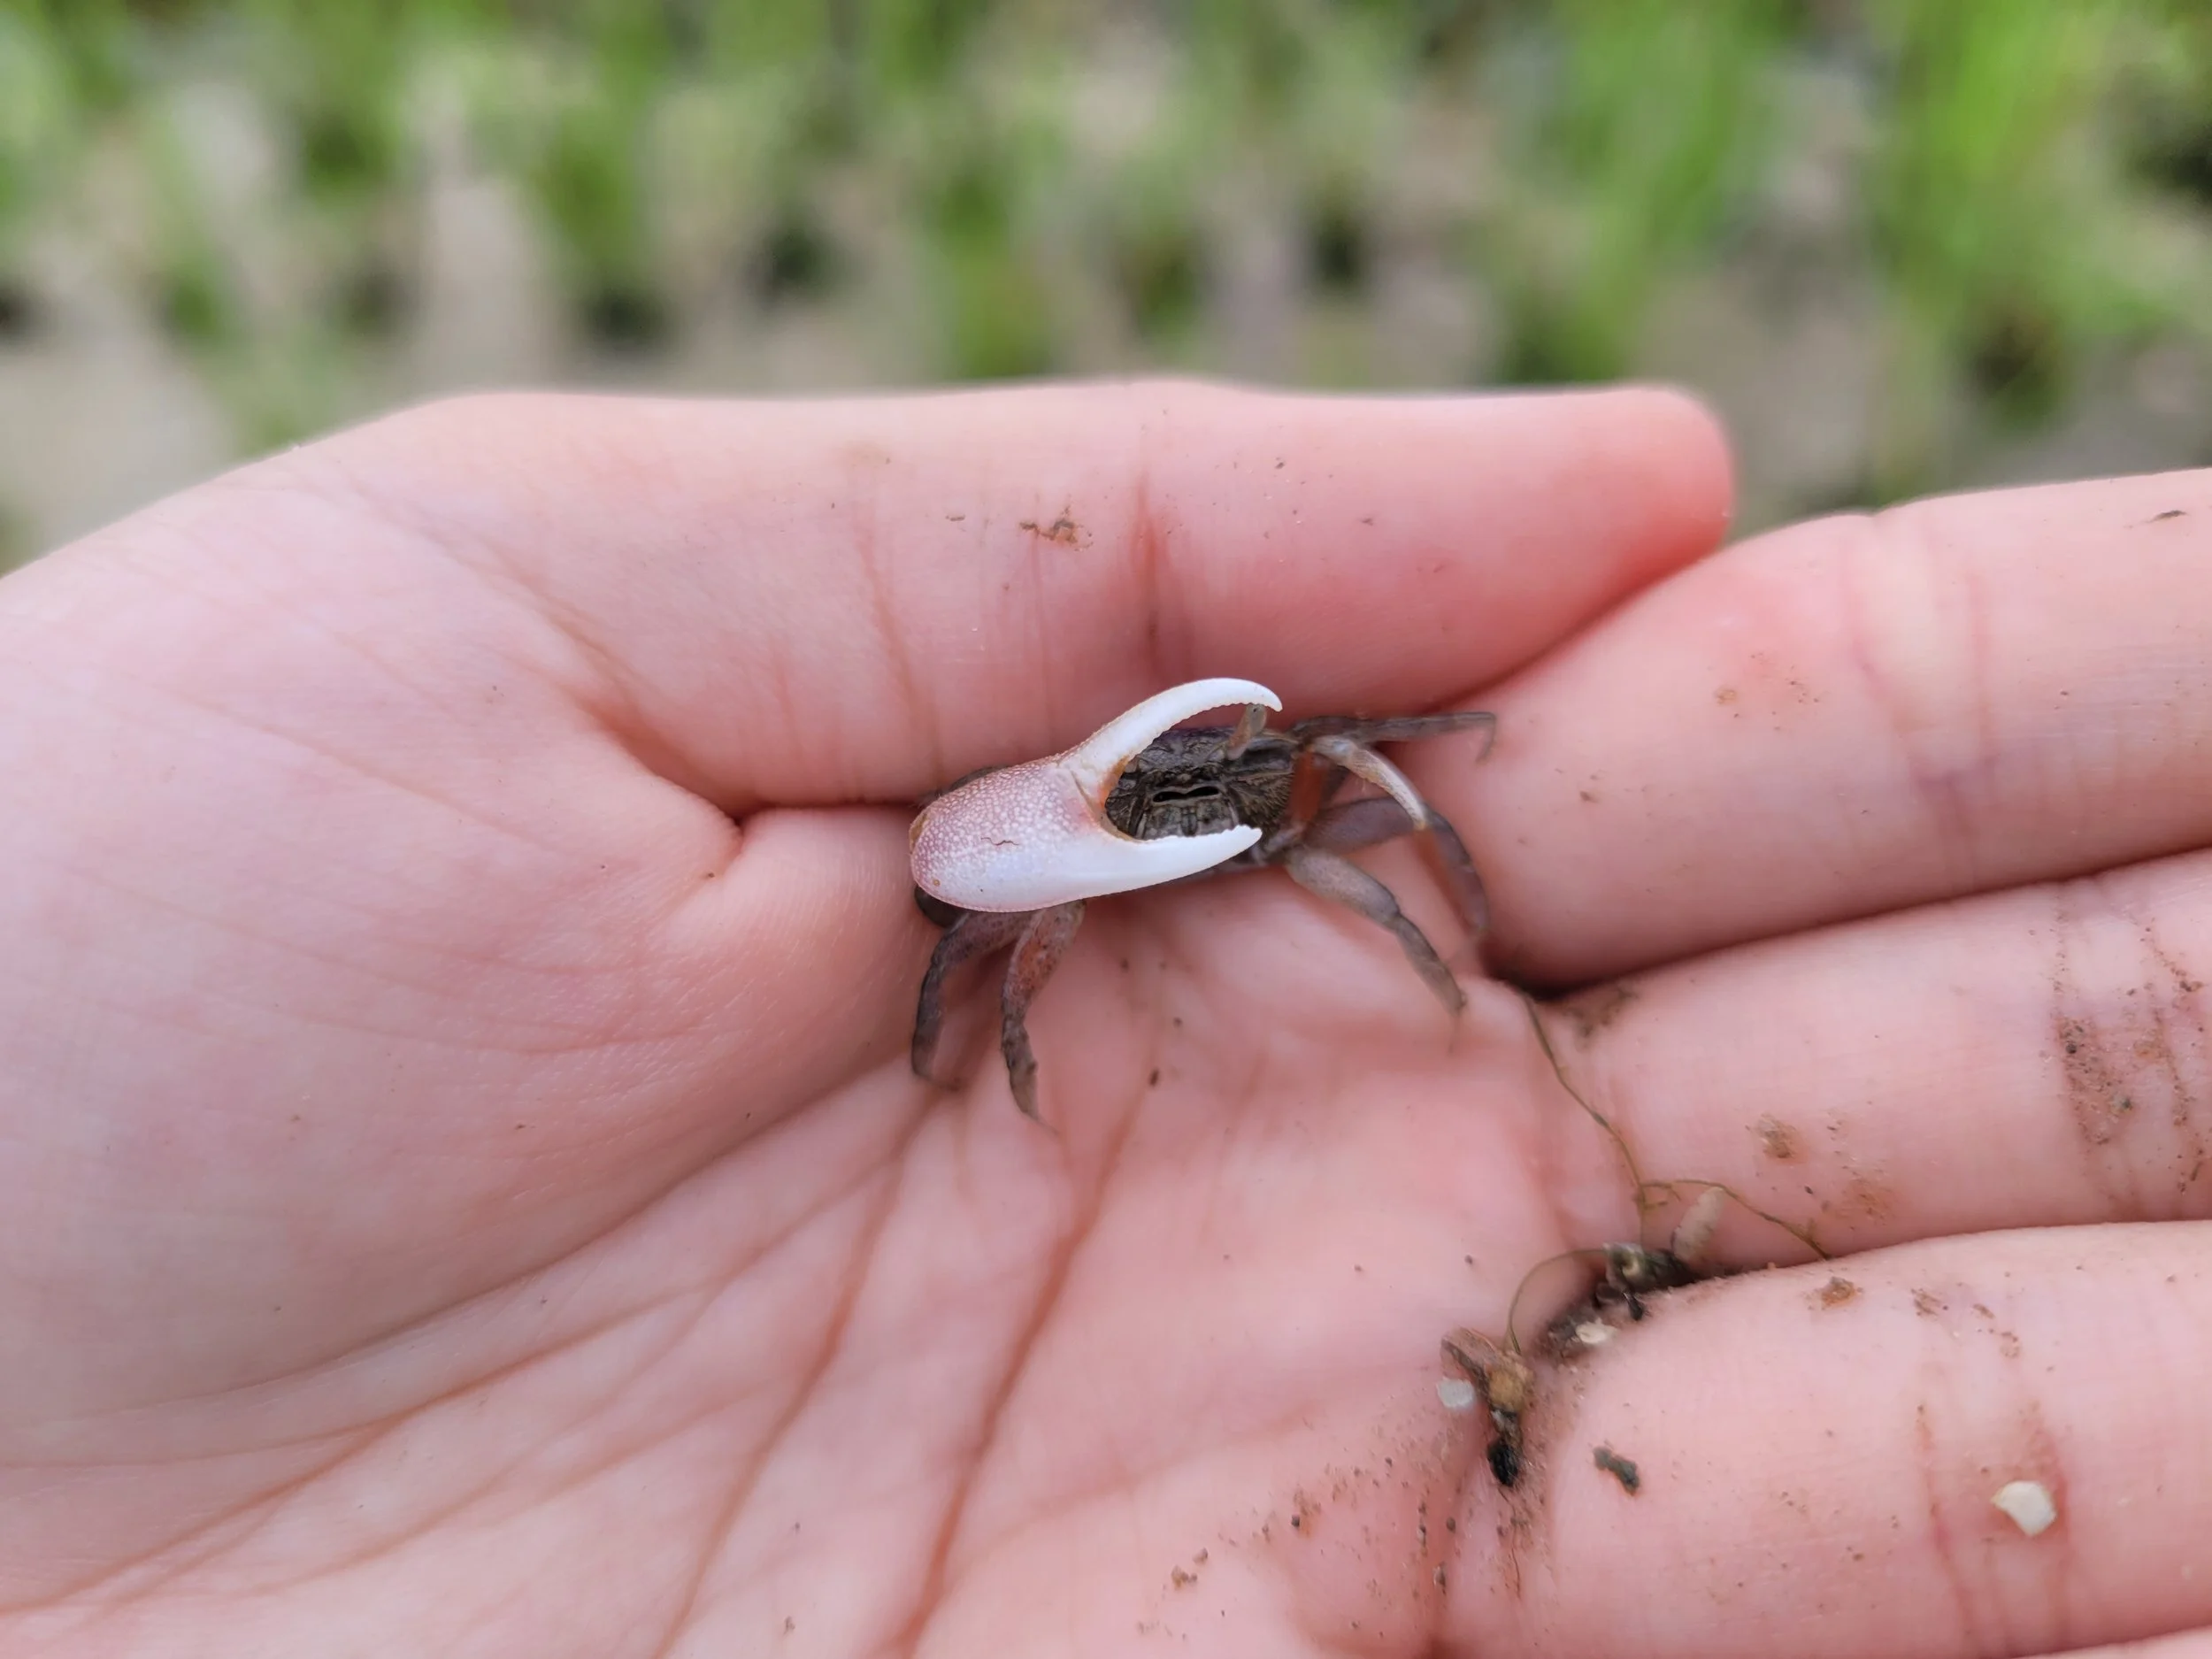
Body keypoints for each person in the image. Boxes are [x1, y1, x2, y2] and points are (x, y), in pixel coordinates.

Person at [0, 382, 2201, 1655]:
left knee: (1348, 797)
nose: (1249, 778)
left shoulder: (1252, 783)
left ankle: (1387, 926)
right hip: (1042, 836)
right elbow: (977, 890)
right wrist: (1025, 965)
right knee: (1046, 929)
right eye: (1202, 773)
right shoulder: (1087, 831)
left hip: (1147, 816)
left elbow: (1328, 771)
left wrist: (1402, 878)